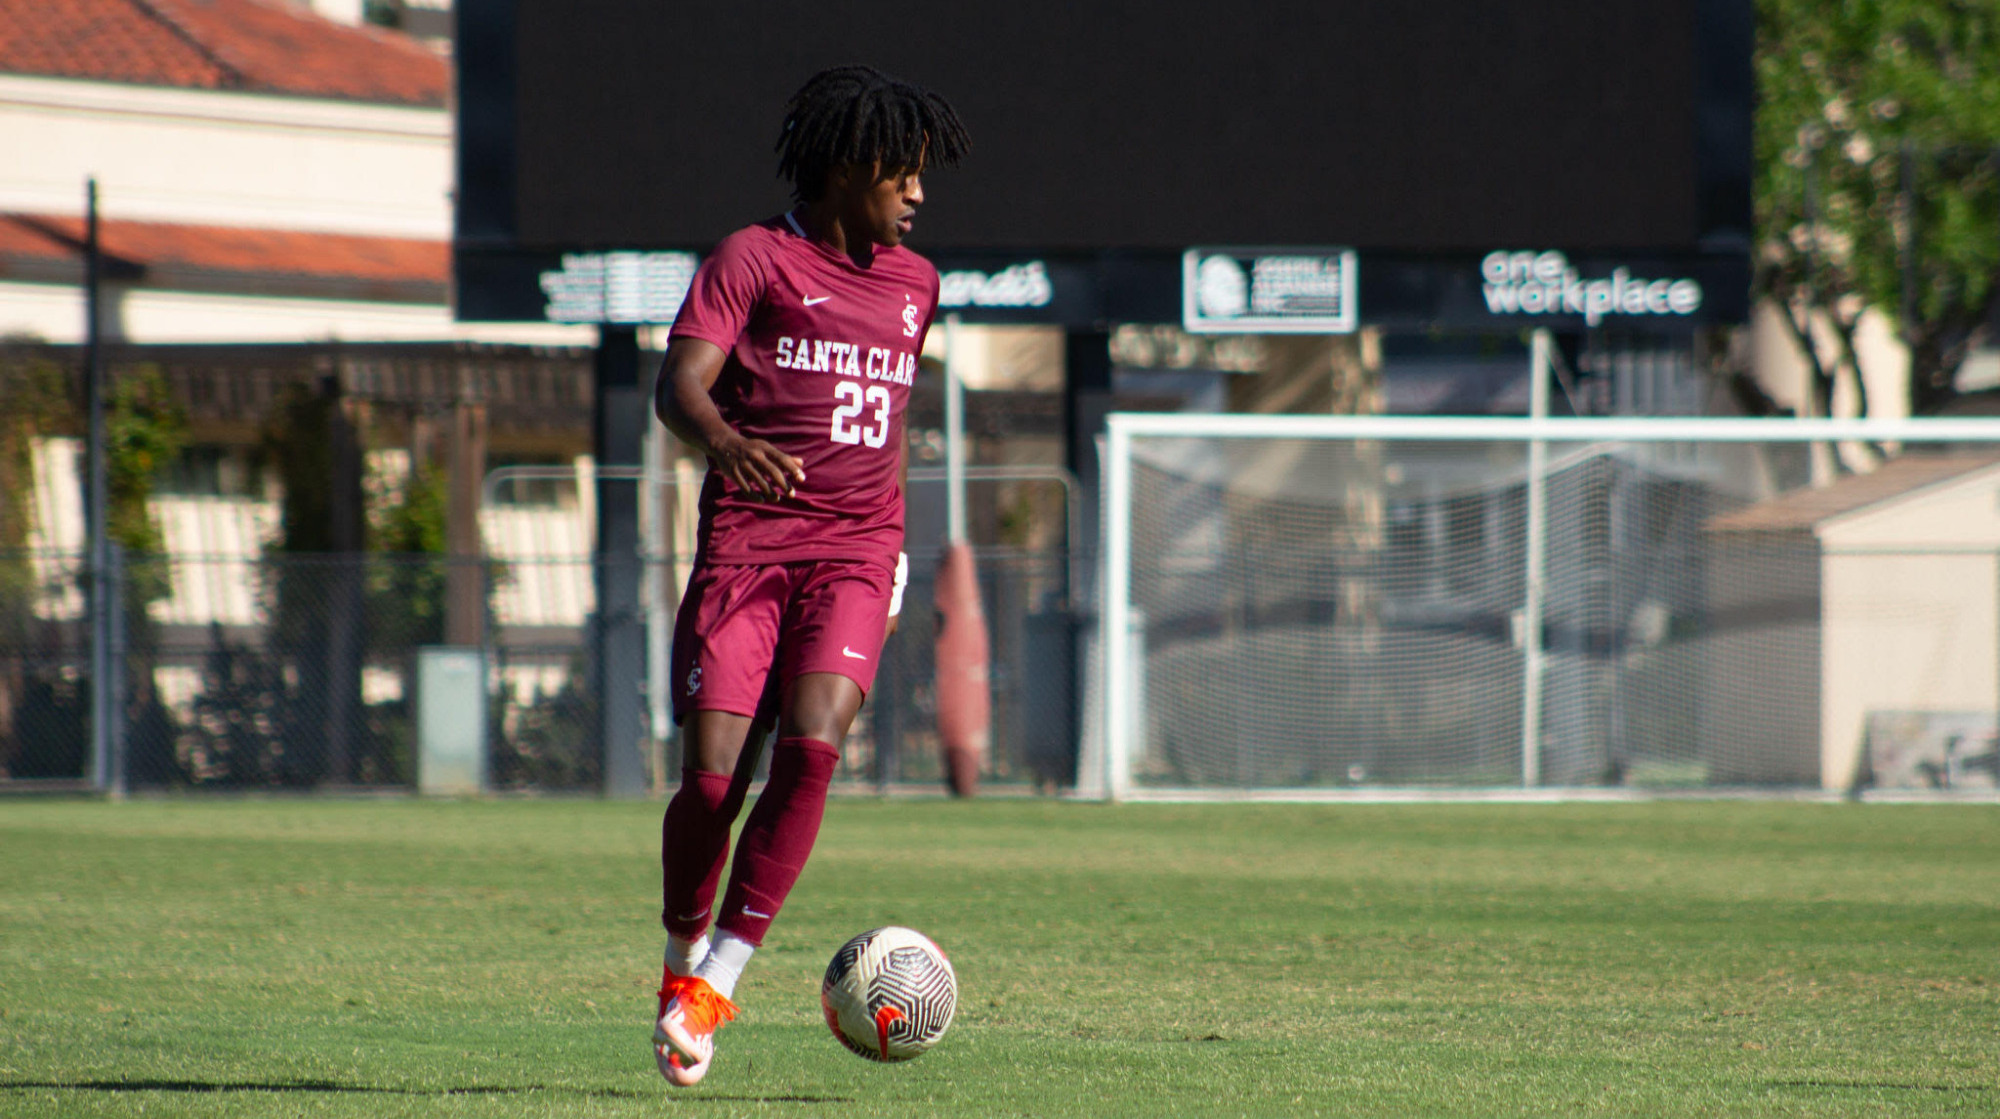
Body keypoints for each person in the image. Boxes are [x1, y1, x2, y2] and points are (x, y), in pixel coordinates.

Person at [648, 65, 969, 1087]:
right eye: (901, 173)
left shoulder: (916, 284)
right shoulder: (752, 258)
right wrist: (726, 441)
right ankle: (677, 956)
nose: (918, 194)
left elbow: (878, 427)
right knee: (711, 782)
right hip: (747, 545)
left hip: (858, 548)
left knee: (817, 743)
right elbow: (678, 384)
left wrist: (885, 548)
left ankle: (719, 981)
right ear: (844, 168)